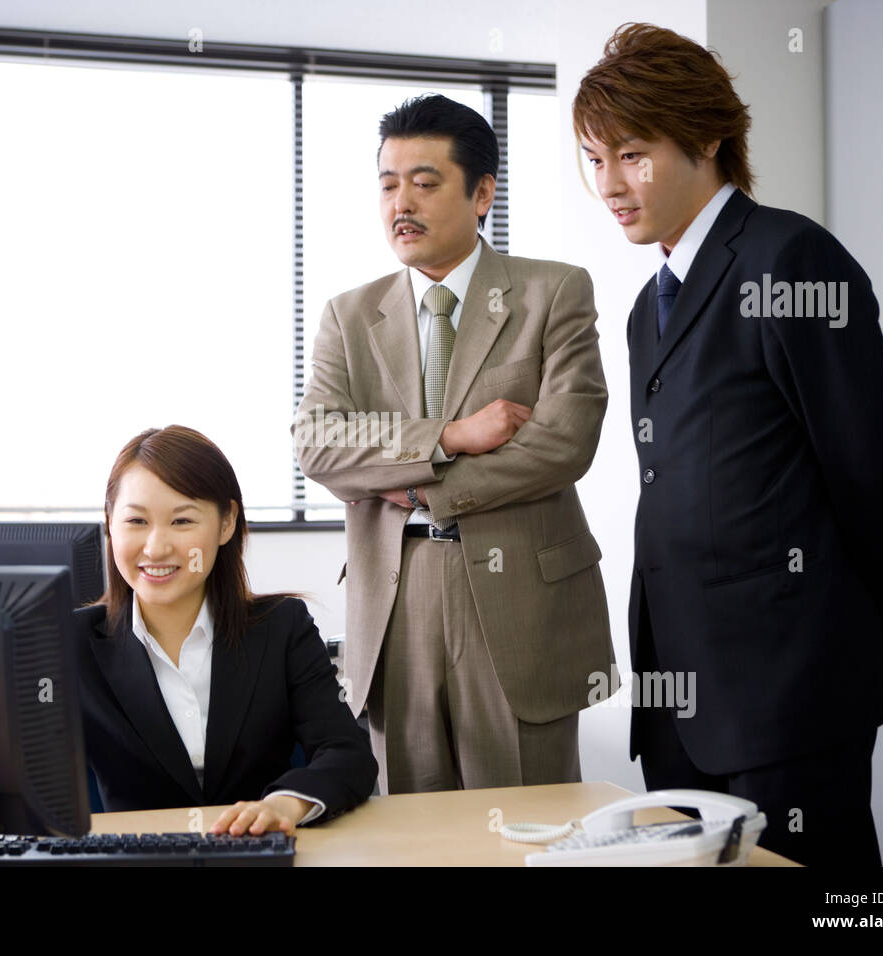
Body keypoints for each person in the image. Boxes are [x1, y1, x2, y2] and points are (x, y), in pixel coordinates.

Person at [572, 22, 883, 865]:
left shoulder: (790, 256)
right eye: (594, 159)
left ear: (706, 136)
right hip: (682, 692)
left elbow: (873, 453)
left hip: (790, 681)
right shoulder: (645, 306)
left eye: (632, 154)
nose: (610, 184)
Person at [293, 94, 614, 794]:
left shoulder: (552, 291)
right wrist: (452, 436)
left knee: (528, 823)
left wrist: (411, 486)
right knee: (410, 825)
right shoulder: (349, 316)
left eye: (425, 182)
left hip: (521, 599)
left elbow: (564, 441)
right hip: (395, 595)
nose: (400, 202)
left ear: (482, 194)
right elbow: (317, 444)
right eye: (387, 184)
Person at [75, 425, 377, 835]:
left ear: (226, 523)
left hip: (256, 851)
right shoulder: (70, 643)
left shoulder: (282, 628)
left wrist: (286, 805)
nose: (156, 547)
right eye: (136, 521)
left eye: (182, 520)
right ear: (110, 525)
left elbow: (347, 751)